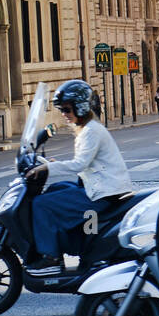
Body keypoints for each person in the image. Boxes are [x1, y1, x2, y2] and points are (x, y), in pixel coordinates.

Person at [24, 80, 133, 275]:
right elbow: (85, 162)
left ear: (80, 107)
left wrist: (46, 168)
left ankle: (51, 257)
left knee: (41, 203)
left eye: (67, 109)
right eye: (62, 110)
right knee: (56, 190)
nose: (64, 114)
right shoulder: (88, 128)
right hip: (98, 187)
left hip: (102, 193)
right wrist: (50, 163)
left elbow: (79, 164)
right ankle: (60, 242)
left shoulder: (91, 131)